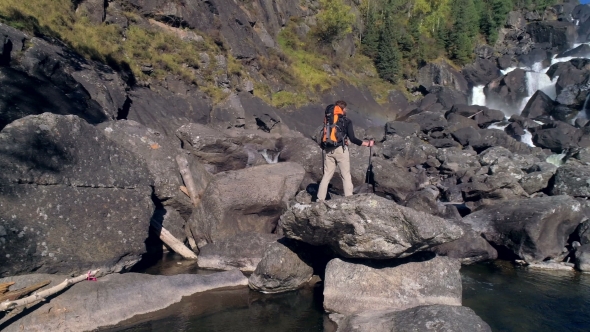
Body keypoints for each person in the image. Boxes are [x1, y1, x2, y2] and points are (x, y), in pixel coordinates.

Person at [317, 100, 374, 201]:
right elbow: (352, 138)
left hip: (328, 150)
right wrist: (366, 143)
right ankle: (349, 199)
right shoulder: (346, 121)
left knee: (326, 176)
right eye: (345, 108)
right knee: (346, 175)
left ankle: (319, 199)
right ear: (342, 109)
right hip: (341, 150)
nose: (346, 110)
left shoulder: (328, 121)